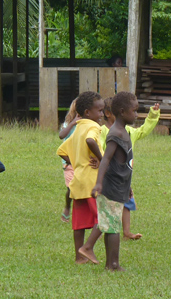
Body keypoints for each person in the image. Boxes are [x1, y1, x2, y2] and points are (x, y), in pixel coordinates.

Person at [79, 92, 138, 270]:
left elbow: (124, 164)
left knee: (110, 223)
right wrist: (98, 182)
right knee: (113, 227)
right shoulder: (115, 134)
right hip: (110, 186)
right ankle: (113, 264)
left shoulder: (124, 132)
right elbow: (105, 160)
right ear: (122, 111)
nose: (136, 114)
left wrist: (128, 187)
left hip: (120, 185)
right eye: (134, 111)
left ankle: (106, 261)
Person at [97, 100, 160, 240]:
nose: (136, 115)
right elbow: (100, 149)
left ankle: (126, 232)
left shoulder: (130, 132)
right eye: (133, 111)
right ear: (109, 113)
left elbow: (143, 130)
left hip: (124, 175)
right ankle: (102, 232)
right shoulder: (104, 131)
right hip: (111, 175)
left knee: (126, 203)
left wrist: (153, 115)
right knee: (109, 205)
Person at [56, 91, 104, 264]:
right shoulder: (93, 127)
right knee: (105, 217)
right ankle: (88, 247)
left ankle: (79, 257)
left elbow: (61, 151)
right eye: (99, 111)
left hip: (78, 182)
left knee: (79, 223)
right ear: (87, 113)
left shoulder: (77, 129)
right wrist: (102, 159)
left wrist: (77, 164)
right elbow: (91, 141)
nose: (102, 115)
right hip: (92, 182)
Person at [58, 99, 79, 223]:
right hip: (69, 161)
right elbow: (62, 135)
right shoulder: (68, 125)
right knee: (71, 188)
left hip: (82, 161)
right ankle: (67, 207)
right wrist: (73, 123)